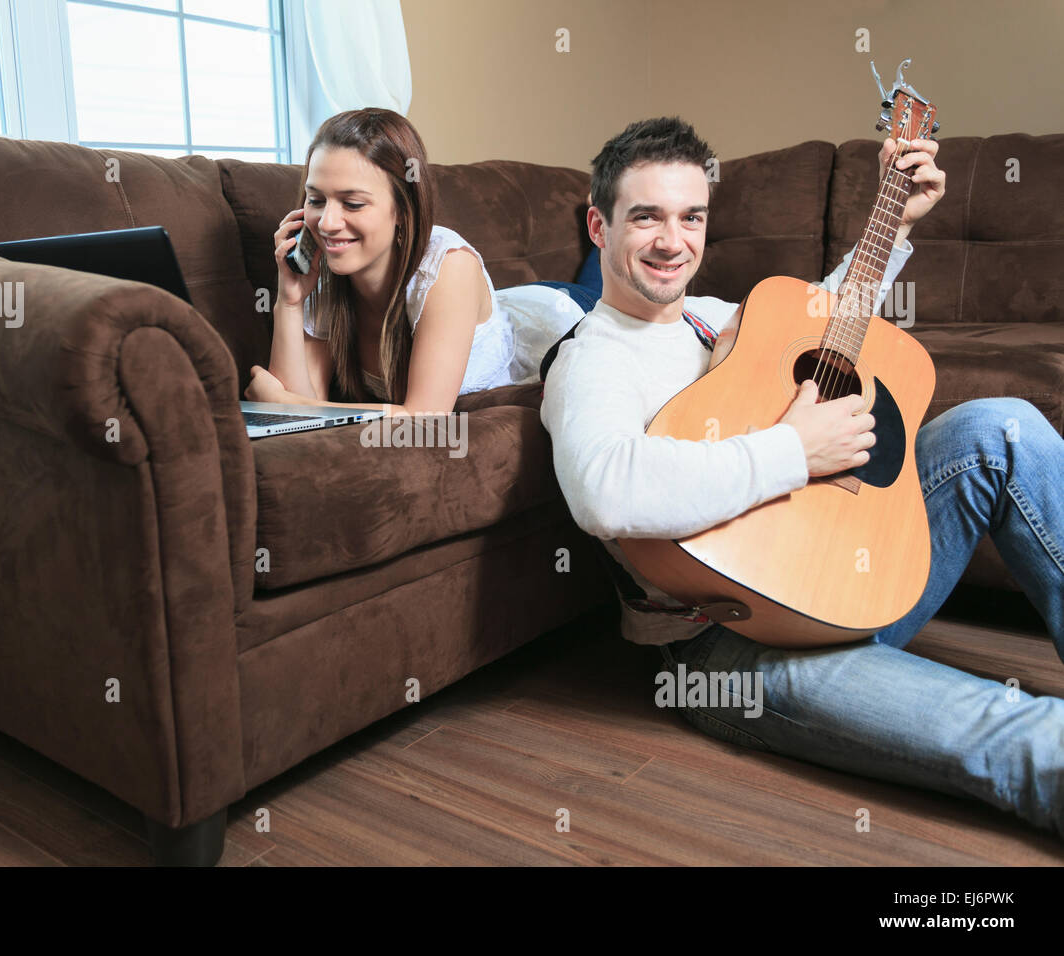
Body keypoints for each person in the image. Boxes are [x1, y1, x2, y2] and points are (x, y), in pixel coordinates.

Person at [541, 116, 1064, 837]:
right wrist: (793, 449)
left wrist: (895, 221)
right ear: (599, 226)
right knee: (1032, 739)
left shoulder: (714, 318)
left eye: (691, 217)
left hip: (841, 574)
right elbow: (605, 490)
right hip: (734, 645)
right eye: (646, 217)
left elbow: (826, 317)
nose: (672, 241)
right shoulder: (592, 360)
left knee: (1001, 426)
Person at [243, 107, 590, 414]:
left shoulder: (447, 265)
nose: (327, 223)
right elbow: (290, 419)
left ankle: (603, 212)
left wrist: (290, 404)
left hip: (561, 309)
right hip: (497, 303)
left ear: (402, 210)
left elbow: (425, 419)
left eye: (352, 204)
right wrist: (289, 301)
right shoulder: (324, 270)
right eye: (316, 200)